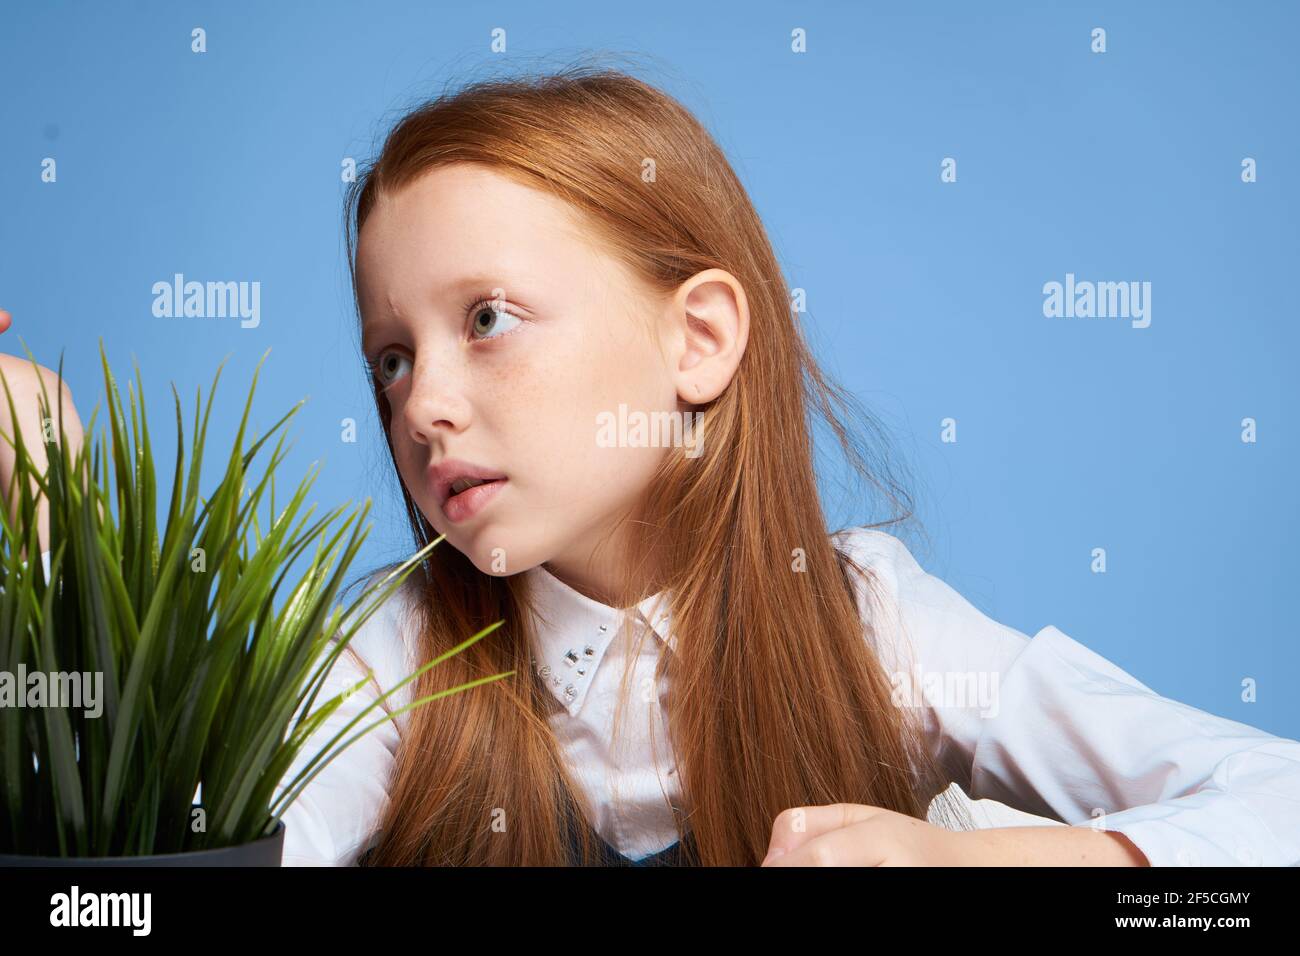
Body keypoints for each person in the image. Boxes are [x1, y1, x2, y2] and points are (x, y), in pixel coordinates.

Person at [4, 67, 1297, 867]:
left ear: (699, 339)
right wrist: (42, 550)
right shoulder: (385, 665)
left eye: (487, 321)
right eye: (390, 356)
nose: (424, 405)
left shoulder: (873, 624)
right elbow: (135, 885)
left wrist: (999, 867)